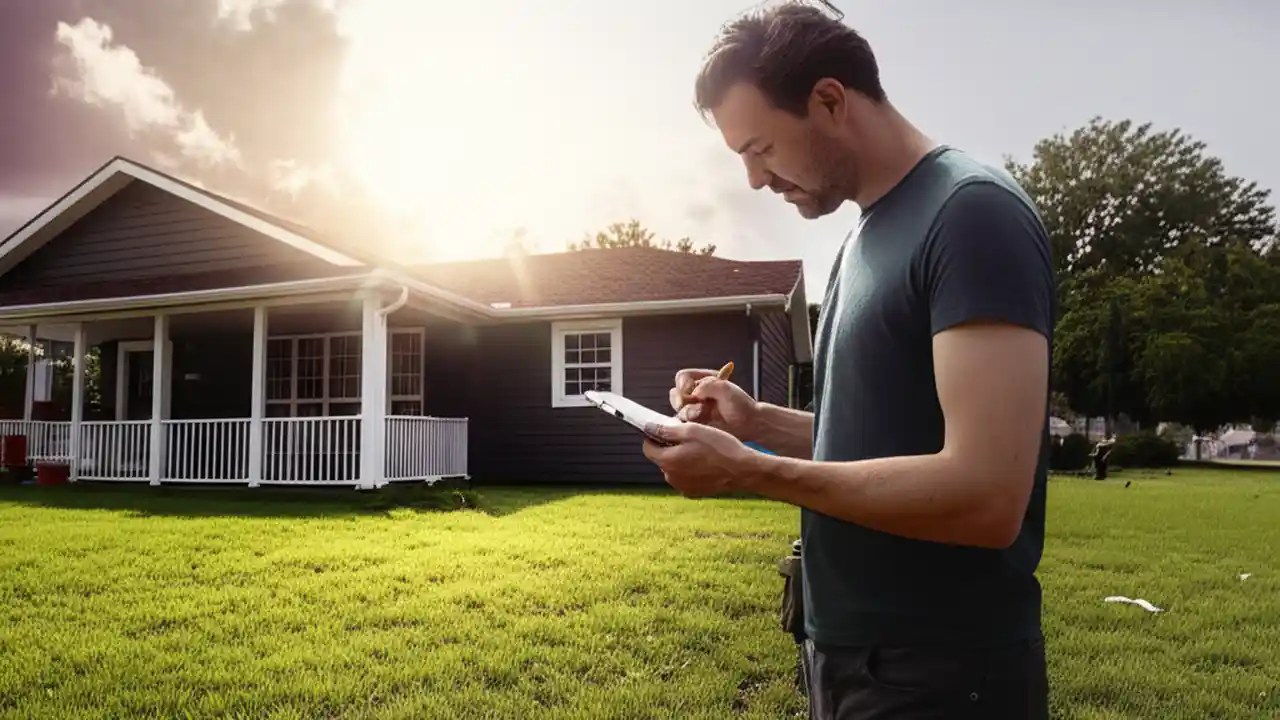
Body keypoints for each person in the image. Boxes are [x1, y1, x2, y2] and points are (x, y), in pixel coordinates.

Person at [641, 4, 1055, 719]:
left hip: (943, 674)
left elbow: (988, 496)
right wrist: (756, 420)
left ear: (829, 99)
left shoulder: (970, 215)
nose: (753, 181)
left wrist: (747, 469)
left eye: (762, 148)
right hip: (850, 657)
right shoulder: (863, 240)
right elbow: (880, 440)